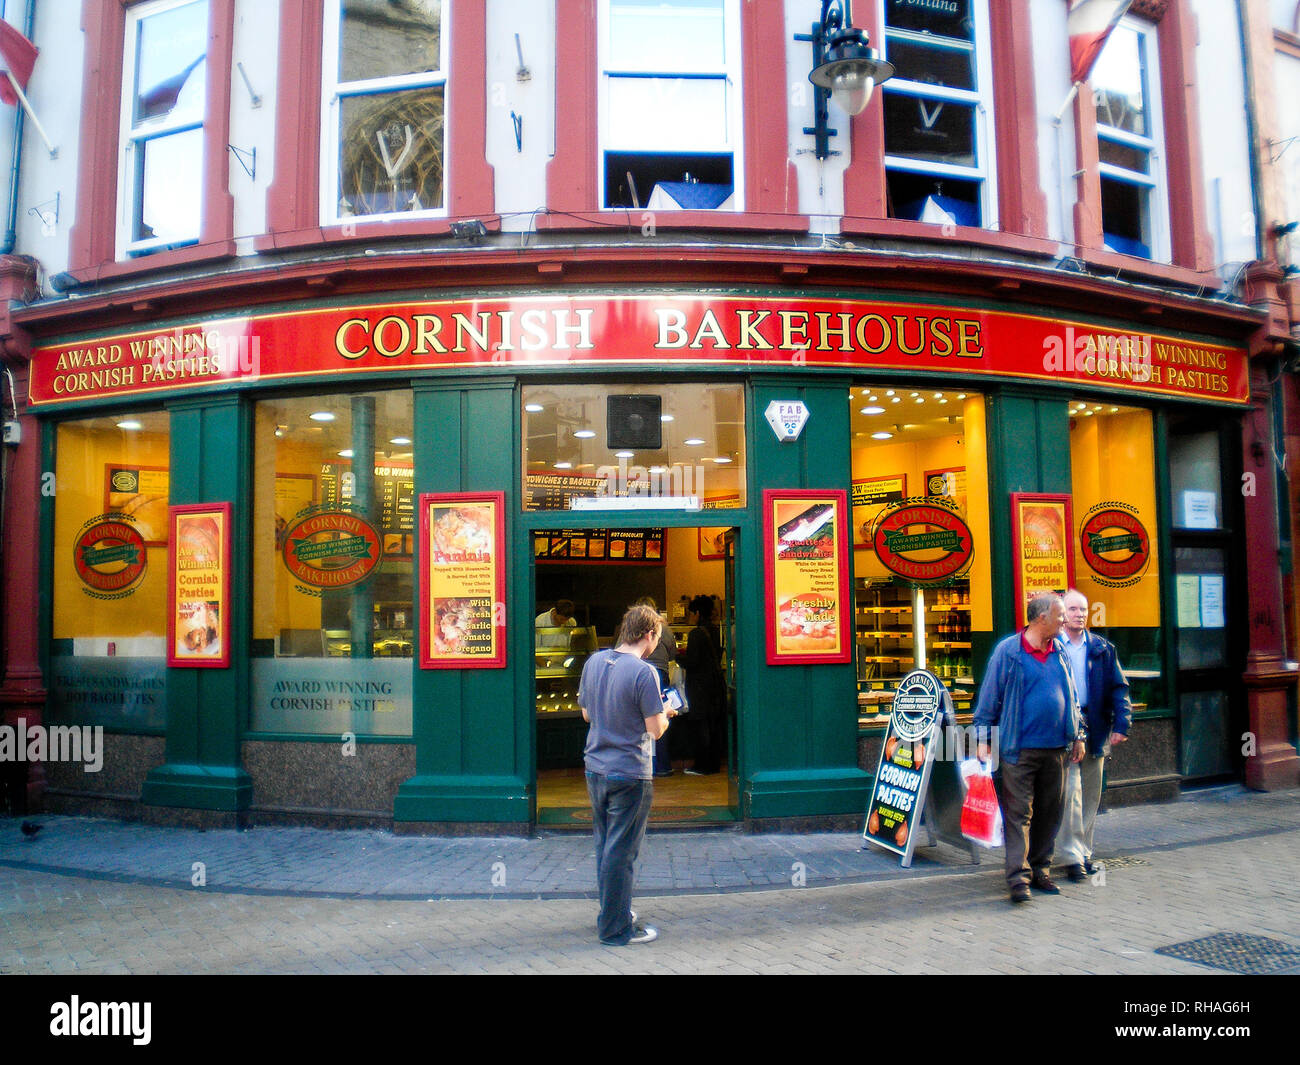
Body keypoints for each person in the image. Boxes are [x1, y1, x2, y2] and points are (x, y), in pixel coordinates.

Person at [974, 592, 1087, 904]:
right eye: (1060, 615)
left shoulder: (1060, 650)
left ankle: (1040, 869)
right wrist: (982, 739)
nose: (1064, 621)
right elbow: (989, 698)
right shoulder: (1008, 652)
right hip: (1019, 749)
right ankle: (1018, 879)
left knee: (1050, 813)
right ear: (1041, 618)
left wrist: (1079, 734)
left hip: (1057, 749)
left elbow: (1073, 696)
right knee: (1019, 814)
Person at [579, 603, 676, 945]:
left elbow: (588, 715)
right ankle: (616, 929)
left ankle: (612, 913)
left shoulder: (593, 662)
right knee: (622, 852)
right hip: (630, 771)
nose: (655, 644)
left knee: (606, 845)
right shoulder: (644, 672)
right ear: (649, 633)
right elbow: (655, 730)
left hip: (595, 768)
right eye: (657, 638)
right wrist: (665, 711)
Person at [1057, 588, 1131, 882]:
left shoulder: (1102, 648)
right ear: (1062, 614)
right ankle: (1072, 855)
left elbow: (1119, 688)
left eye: (1083, 610)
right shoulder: (1053, 647)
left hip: (1096, 726)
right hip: (1065, 729)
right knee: (1070, 795)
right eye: (1074, 609)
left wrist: (1122, 724)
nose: (1080, 615)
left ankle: (1084, 851)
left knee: (1090, 795)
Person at [633, 596, 678, 777]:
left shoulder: (632, 627)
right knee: (659, 717)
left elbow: (621, 647)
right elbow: (673, 651)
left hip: (638, 674)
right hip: (661, 674)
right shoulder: (664, 627)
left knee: (640, 721)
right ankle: (663, 765)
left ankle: (645, 766)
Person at [681, 594, 725, 775]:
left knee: (701, 726)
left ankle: (702, 765)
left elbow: (692, 661)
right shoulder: (716, 630)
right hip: (715, 684)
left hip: (700, 686)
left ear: (697, 613)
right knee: (713, 725)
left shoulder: (696, 633)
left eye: (691, 612)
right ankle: (713, 764)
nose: (691, 617)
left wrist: (678, 657)